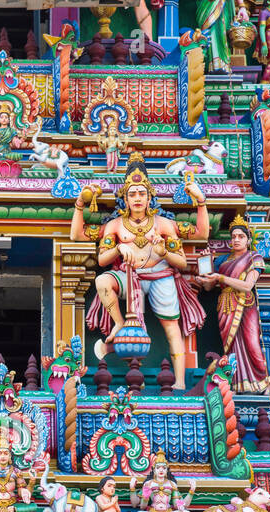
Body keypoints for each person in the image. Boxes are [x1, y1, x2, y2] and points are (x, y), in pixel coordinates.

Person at [76, 153, 211, 392]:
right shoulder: (116, 225)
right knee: (102, 280)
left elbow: (197, 239)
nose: (137, 198)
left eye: (141, 194)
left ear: (150, 198)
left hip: (161, 275)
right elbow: (84, 242)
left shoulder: (165, 224)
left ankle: (179, 381)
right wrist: (81, 206)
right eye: (132, 194)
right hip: (129, 277)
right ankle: (118, 323)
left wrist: (200, 203)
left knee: (172, 327)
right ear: (125, 199)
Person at [198, 217, 270, 394]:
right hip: (226, 306)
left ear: (248, 239)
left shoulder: (253, 257)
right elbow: (209, 287)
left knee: (253, 344)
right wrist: (205, 267)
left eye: (241, 236)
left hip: (245, 304)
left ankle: (264, 384)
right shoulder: (222, 260)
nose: (236, 240)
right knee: (231, 347)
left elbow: (248, 286)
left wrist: (220, 278)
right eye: (233, 237)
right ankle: (237, 384)